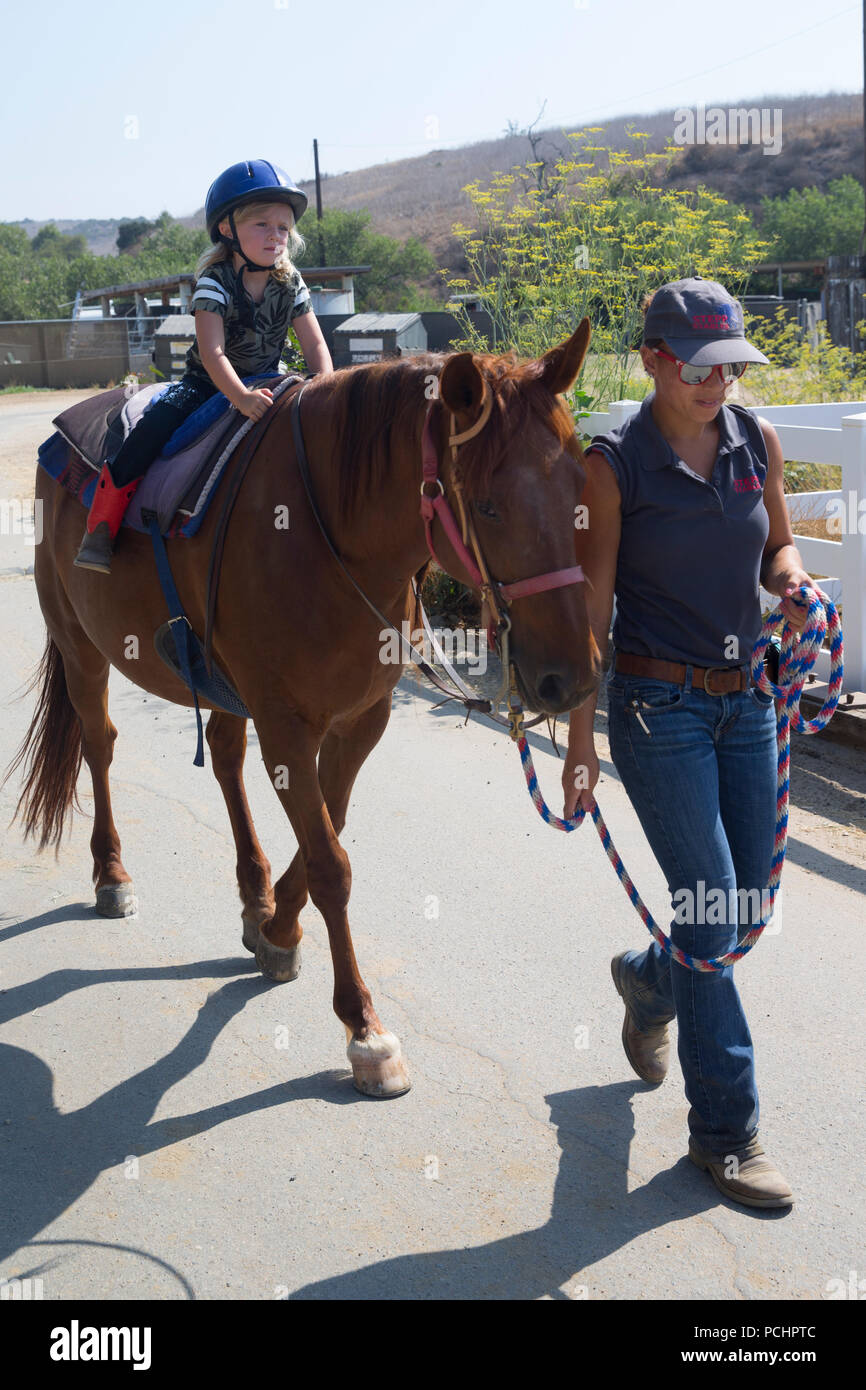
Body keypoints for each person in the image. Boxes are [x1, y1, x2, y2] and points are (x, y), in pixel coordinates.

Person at [564, 276, 814, 1210]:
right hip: (655, 712)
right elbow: (591, 607)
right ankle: (727, 1133)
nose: (720, 385)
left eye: (732, 367)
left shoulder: (757, 440)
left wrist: (791, 586)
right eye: (702, 369)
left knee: (741, 912)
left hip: (748, 700)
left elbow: (774, 550)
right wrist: (580, 742)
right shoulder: (612, 465)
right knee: (712, 911)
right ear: (655, 364)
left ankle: (647, 979)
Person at [75, 159, 333, 573]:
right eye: (262, 225)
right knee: (151, 430)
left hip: (271, 375)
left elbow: (315, 342)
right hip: (209, 383)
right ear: (228, 229)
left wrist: (326, 388)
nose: (275, 236)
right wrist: (241, 397)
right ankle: (101, 529)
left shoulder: (291, 281)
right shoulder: (214, 281)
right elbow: (213, 354)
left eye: (283, 227)